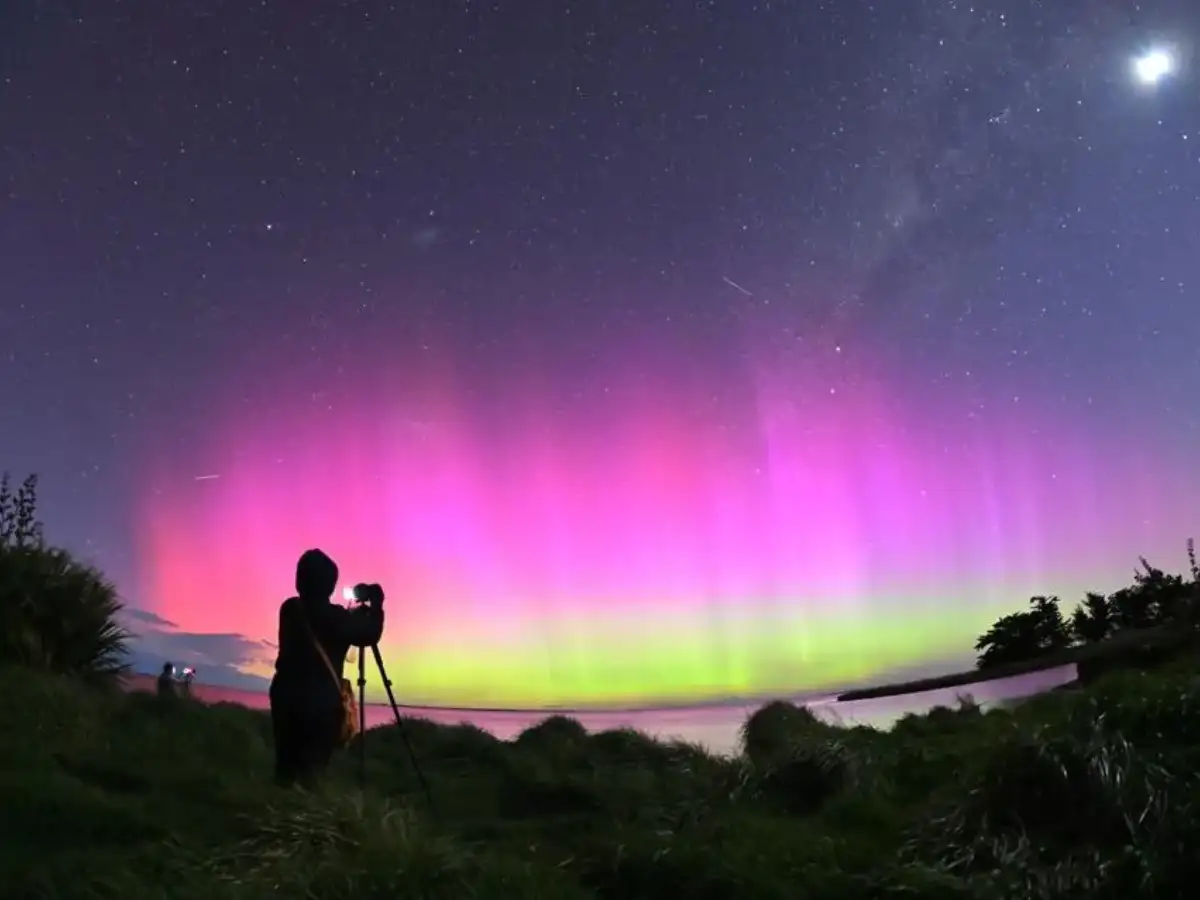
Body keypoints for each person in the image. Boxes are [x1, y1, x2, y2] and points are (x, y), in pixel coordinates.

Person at [269, 548, 385, 787]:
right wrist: (377, 605)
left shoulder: (289, 609)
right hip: (318, 706)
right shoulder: (335, 618)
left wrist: (350, 615)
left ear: (298, 579)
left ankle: (279, 807)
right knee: (312, 771)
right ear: (330, 586)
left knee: (286, 764)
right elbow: (369, 634)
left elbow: (325, 619)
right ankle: (305, 816)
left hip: (284, 698)